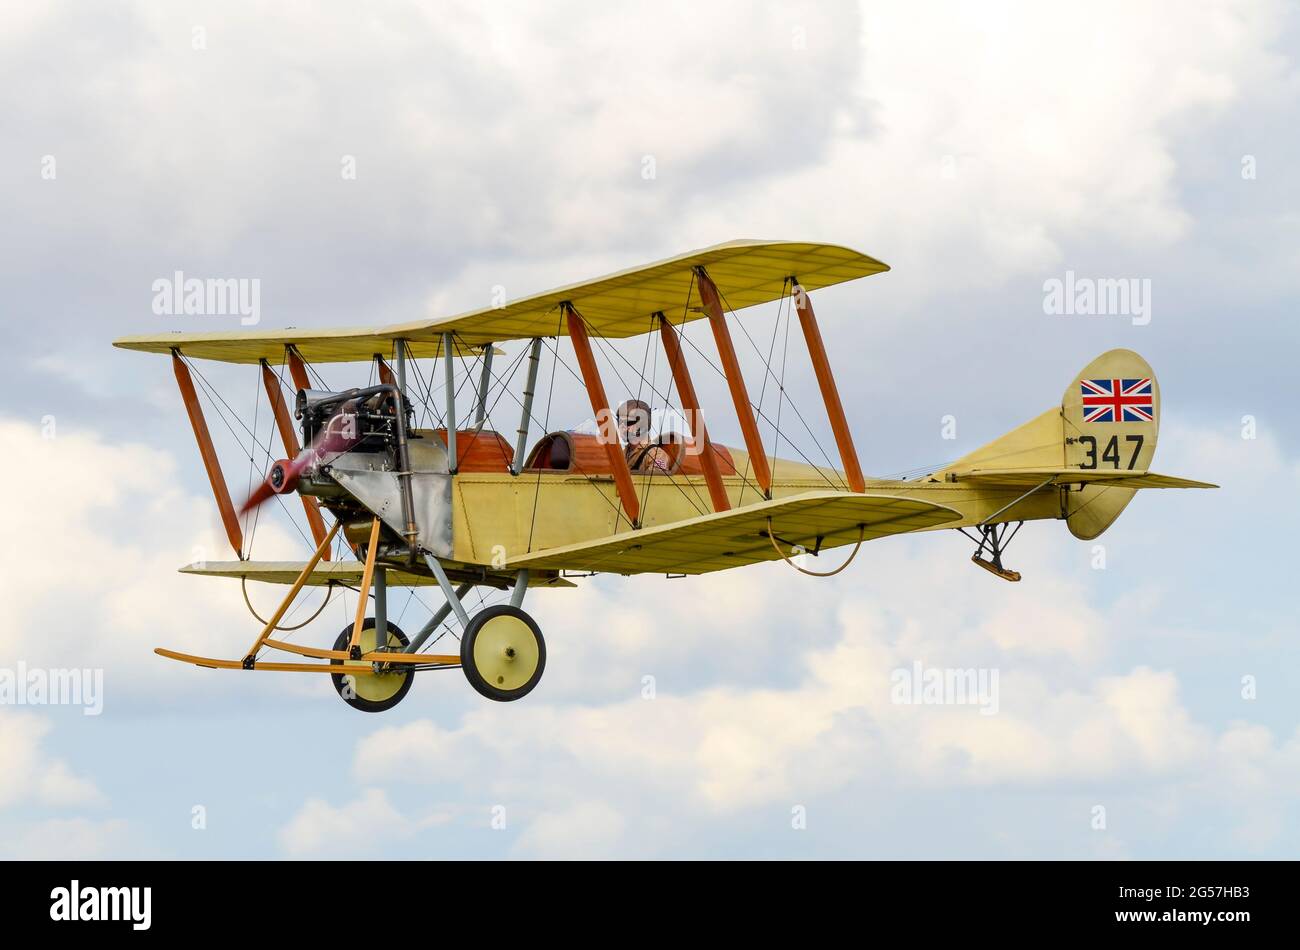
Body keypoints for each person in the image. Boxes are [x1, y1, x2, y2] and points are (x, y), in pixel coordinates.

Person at [615, 398, 671, 473]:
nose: (622, 427)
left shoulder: (657, 455)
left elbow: (655, 479)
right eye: (619, 422)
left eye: (628, 422)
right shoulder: (623, 453)